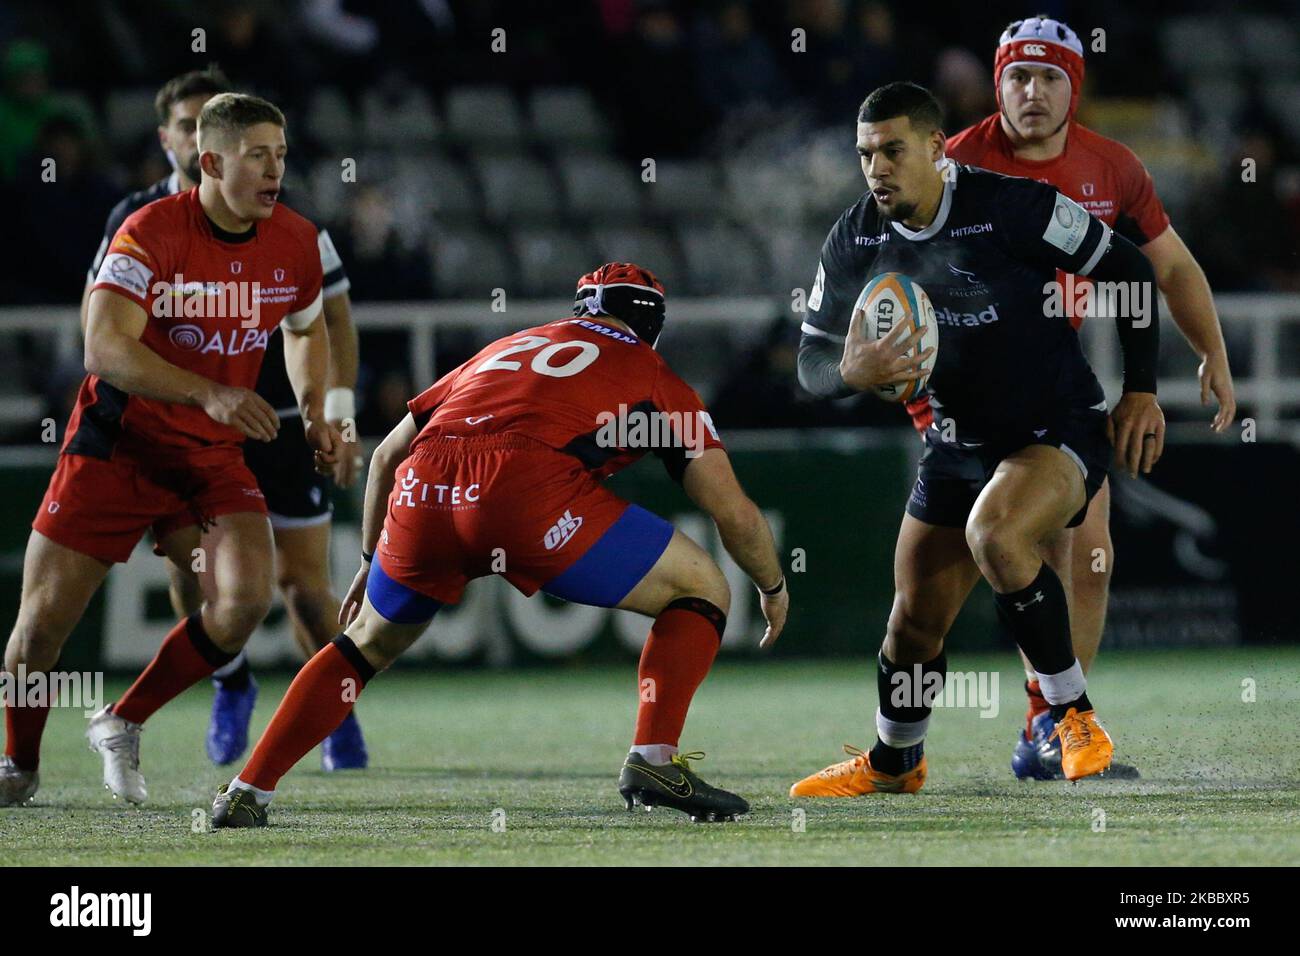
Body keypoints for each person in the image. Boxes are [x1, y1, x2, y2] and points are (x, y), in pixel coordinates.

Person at [210, 262, 789, 827]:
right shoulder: (654, 374)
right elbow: (732, 511)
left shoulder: (505, 347)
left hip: (422, 487)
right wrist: (772, 584)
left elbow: (386, 455)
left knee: (362, 646)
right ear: (651, 322)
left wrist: (369, 559)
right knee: (702, 586)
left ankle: (248, 788)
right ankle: (654, 760)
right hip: (525, 490)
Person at [791, 82, 1164, 796]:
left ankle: (1074, 718)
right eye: (866, 154)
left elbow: (1131, 268)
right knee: (910, 626)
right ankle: (895, 763)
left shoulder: (1010, 207)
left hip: (1054, 429)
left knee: (998, 535)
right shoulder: (855, 236)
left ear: (936, 148)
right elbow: (811, 365)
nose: (877, 168)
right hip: (956, 445)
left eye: (893, 150)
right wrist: (850, 369)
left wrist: (1141, 390)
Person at [0, 92, 340, 807]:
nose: (275, 168)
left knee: (244, 602)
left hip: (210, 457)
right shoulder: (150, 230)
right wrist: (207, 392)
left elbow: (308, 328)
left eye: (280, 153)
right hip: (118, 445)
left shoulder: (297, 241)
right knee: (38, 632)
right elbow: (102, 346)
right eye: (258, 154)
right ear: (210, 162)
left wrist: (316, 409)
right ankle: (19, 764)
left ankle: (121, 719)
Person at [936, 16, 1234, 779]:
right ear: (996, 83)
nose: (1031, 92)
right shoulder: (954, 163)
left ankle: (1050, 728)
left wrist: (1212, 353)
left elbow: (1167, 267)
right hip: (963, 395)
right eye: (1016, 77)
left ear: (1076, 86)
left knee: (1087, 557)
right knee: (930, 595)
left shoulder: (1113, 166)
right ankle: (898, 744)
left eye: (1049, 78)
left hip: (1055, 388)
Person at [79, 67, 366, 771]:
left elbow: (329, 320)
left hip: (282, 416)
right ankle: (229, 681)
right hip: (179, 423)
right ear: (182, 141)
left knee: (303, 582)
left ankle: (331, 714)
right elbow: (102, 328)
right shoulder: (137, 221)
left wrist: (336, 413)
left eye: (277, 152)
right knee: (195, 569)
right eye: (186, 121)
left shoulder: (290, 227)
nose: (270, 164)